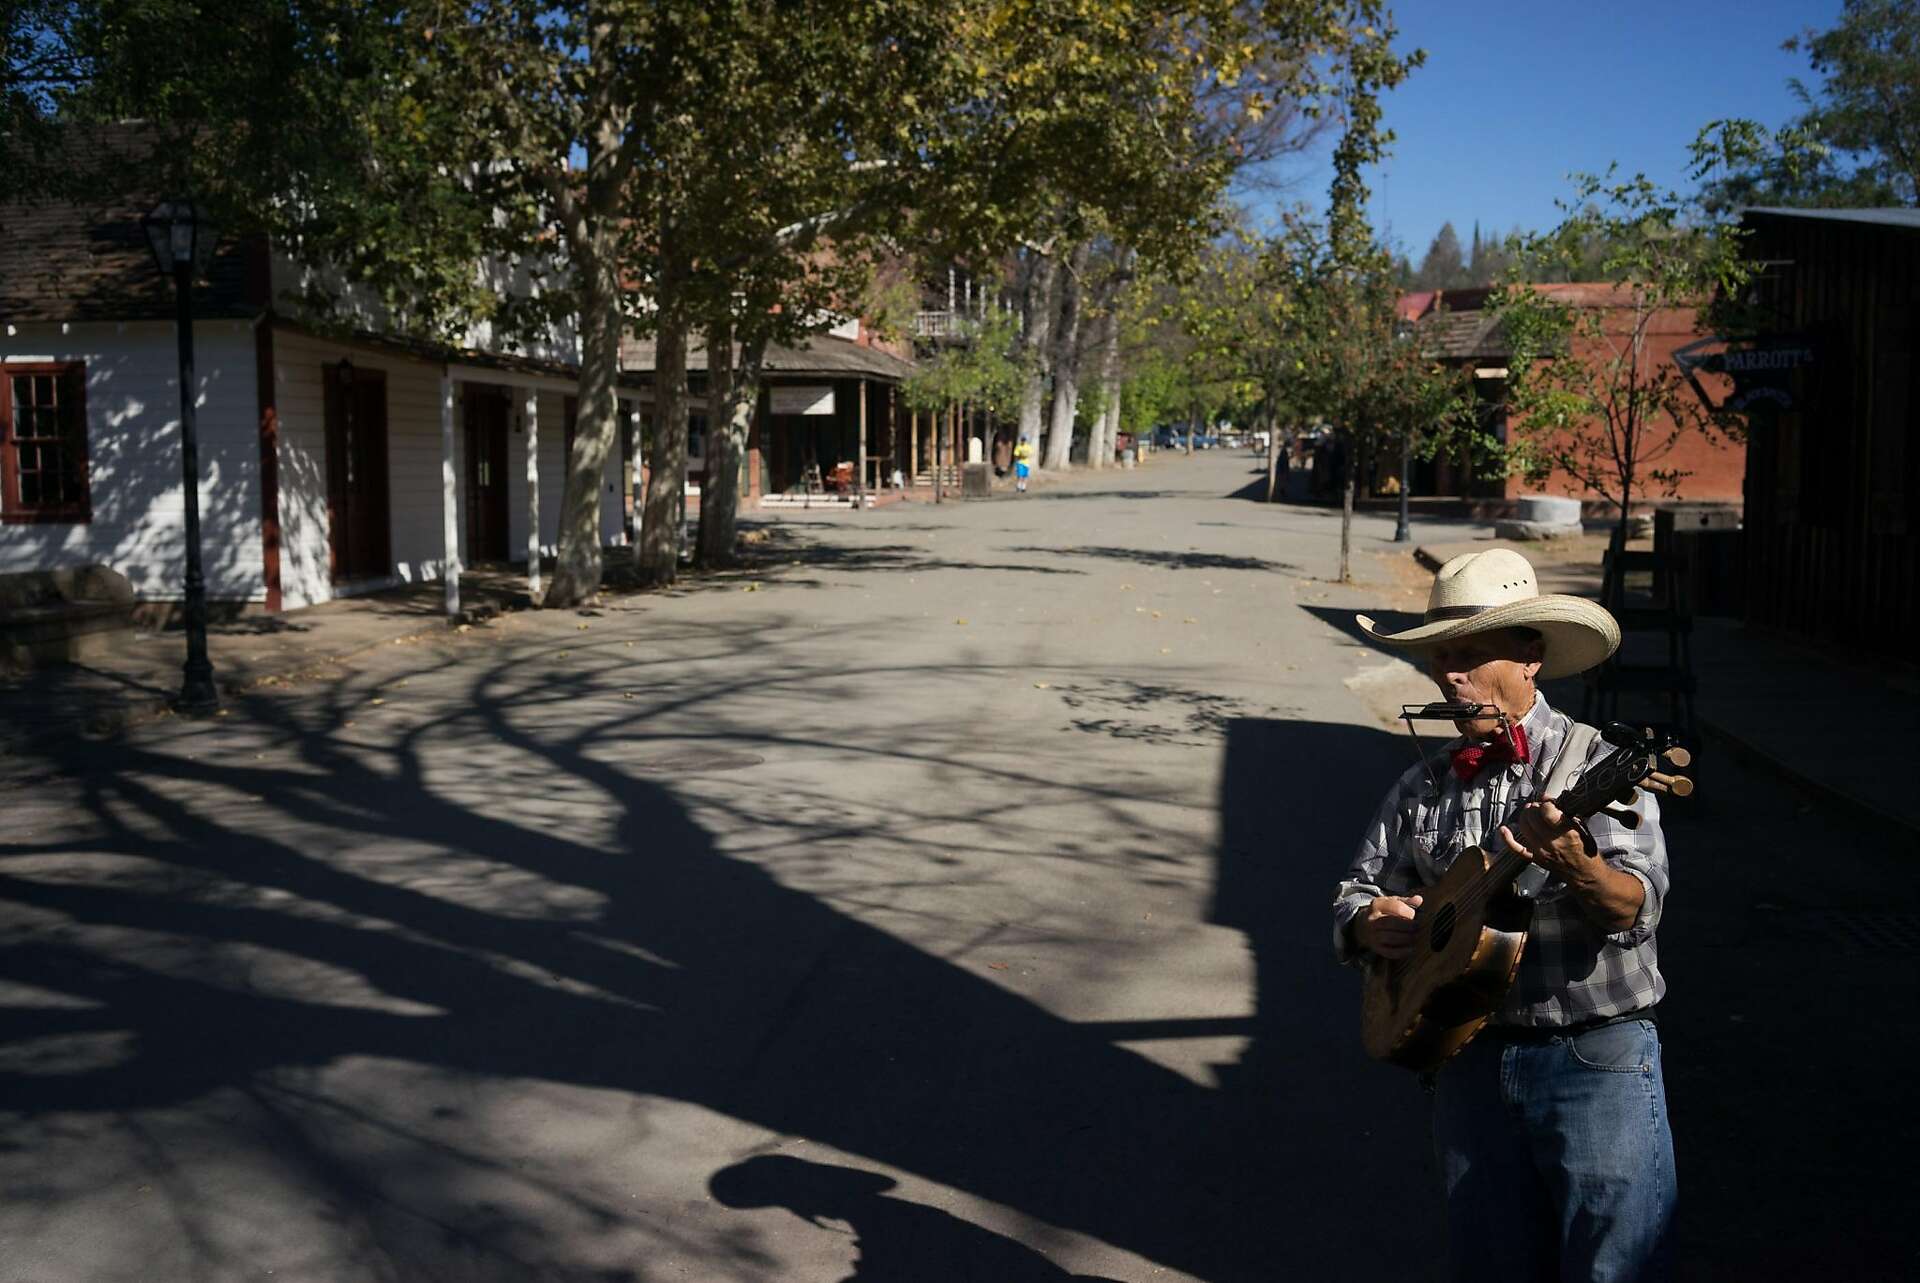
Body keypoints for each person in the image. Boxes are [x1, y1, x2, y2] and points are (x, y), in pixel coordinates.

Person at [1333, 547, 1675, 1283]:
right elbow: (1355, 893)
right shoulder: (1420, 786)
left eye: (1468, 655)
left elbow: (1637, 907)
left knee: (1614, 1267)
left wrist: (1577, 863)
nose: (1448, 675)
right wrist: (1371, 923)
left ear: (1530, 656)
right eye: (1439, 658)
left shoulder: (1594, 765)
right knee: (1489, 1263)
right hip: (1468, 1059)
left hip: (1596, 1056)